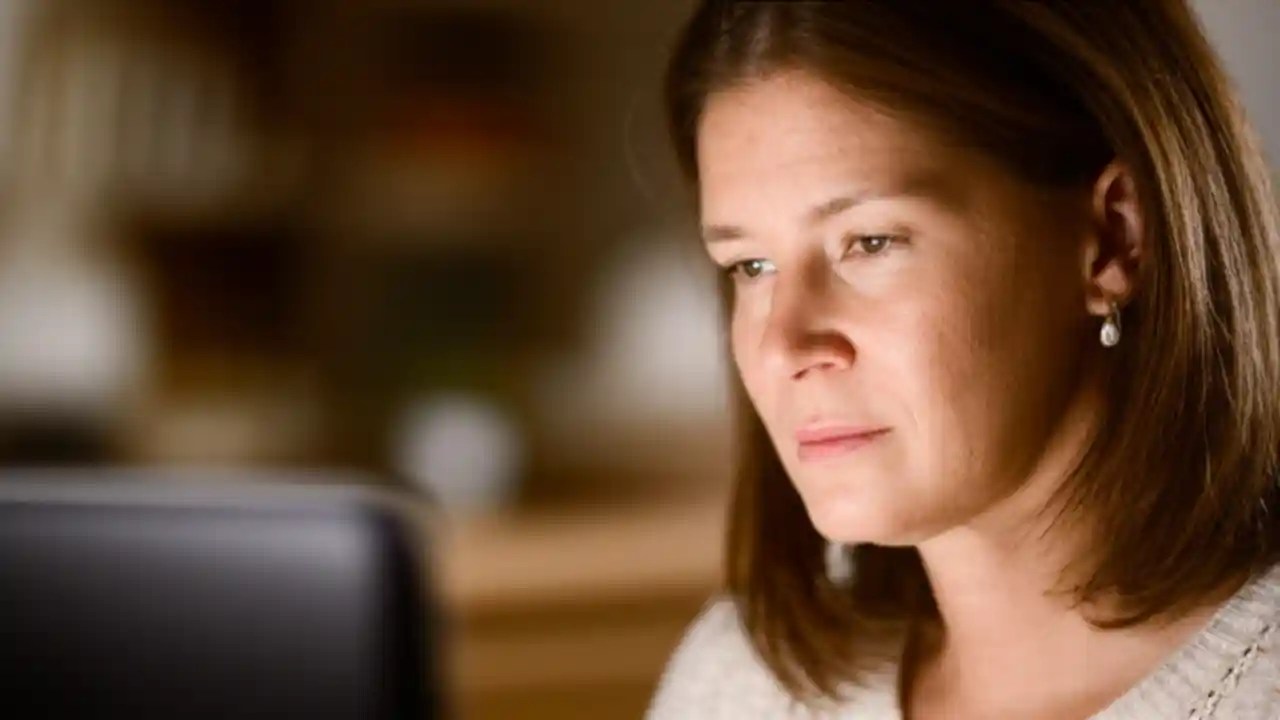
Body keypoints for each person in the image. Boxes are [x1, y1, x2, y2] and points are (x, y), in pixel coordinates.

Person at [646, 1, 1280, 718]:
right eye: (751, 265)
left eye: (871, 242)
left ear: (1114, 238)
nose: (783, 345)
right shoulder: (741, 687)